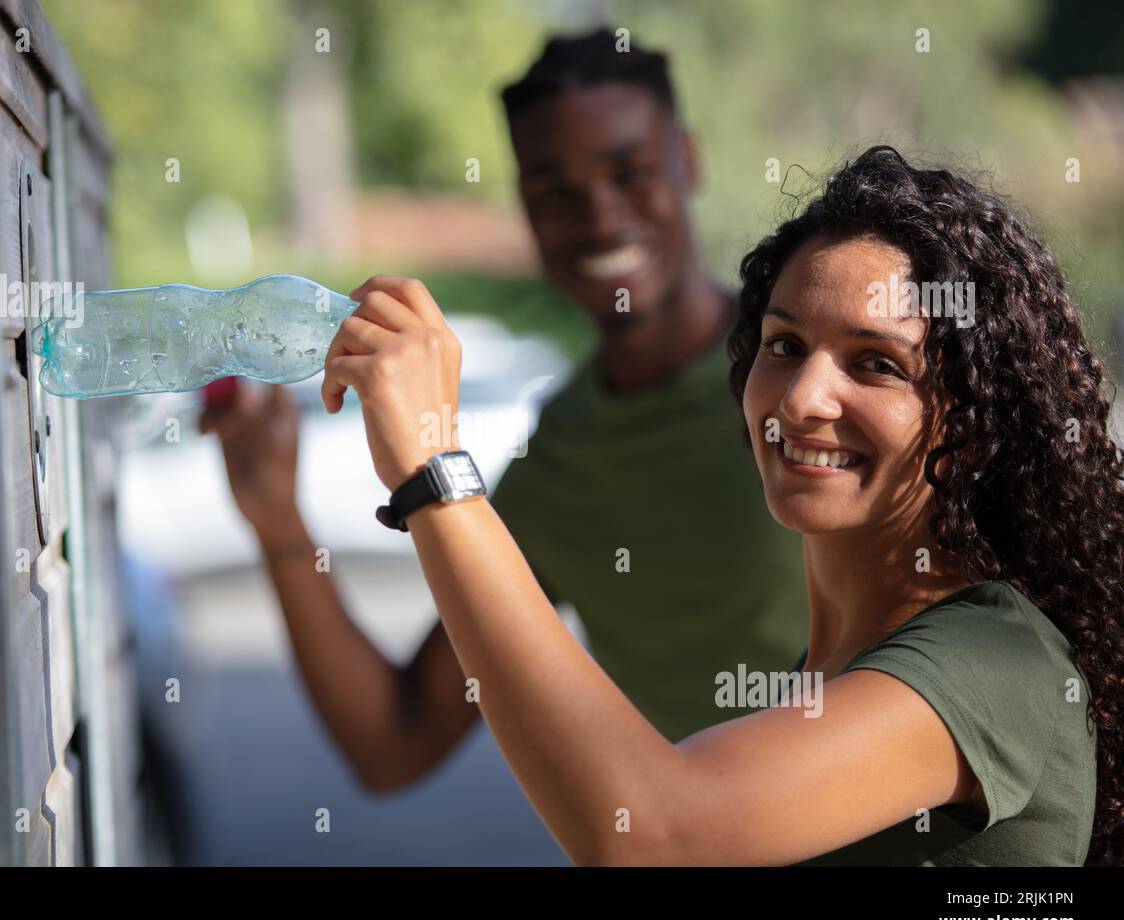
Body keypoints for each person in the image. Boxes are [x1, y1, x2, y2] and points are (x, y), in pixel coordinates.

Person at [318, 146, 1123, 865]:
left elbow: (647, 830)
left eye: (875, 364)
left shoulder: (990, 661)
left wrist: (432, 470)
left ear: (978, 418)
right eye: (784, 345)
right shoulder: (814, 687)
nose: (805, 397)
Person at [201, 27, 806, 791]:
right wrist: (277, 519)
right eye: (556, 192)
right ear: (525, 206)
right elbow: (395, 740)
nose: (598, 214)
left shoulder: (814, 380)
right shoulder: (562, 457)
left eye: (630, 172)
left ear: (686, 162)